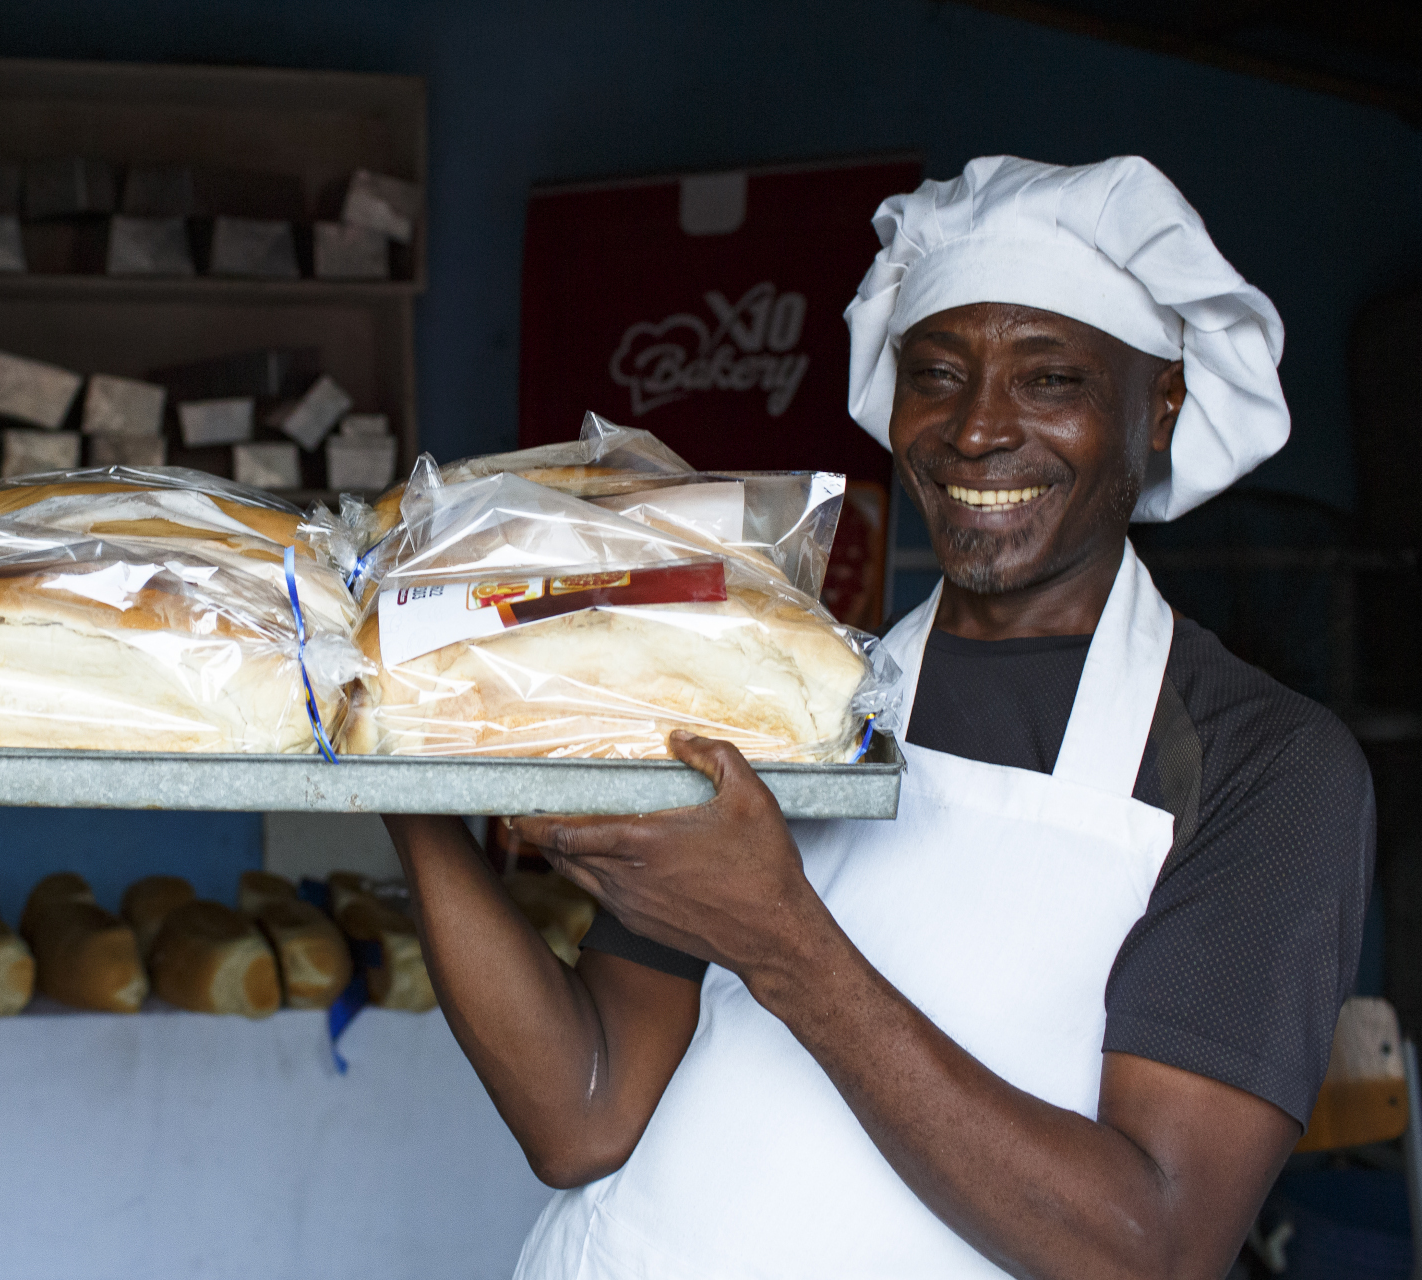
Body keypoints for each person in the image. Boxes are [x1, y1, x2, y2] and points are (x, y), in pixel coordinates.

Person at [383, 156, 1375, 1279]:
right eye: (939, 373)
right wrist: (384, 768)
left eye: (1050, 380)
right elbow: (585, 1113)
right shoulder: (777, 694)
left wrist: (779, 936)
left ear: (1161, 405)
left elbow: (1145, 1247)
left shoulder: (1264, 766)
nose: (977, 430)